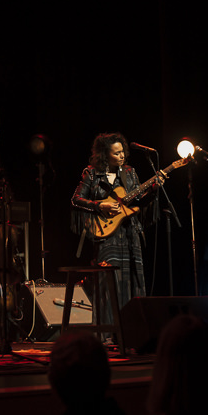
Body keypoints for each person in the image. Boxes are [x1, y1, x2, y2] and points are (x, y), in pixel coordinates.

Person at [70, 132, 163, 321]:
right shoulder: (91, 173)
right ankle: (106, 332)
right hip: (106, 234)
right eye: (116, 153)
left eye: (122, 152)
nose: (122, 156)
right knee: (107, 282)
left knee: (132, 281)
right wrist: (99, 205)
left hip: (129, 232)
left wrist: (154, 189)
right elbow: (76, 199)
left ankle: (132, 330)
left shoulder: (129, 173)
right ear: (105, 154)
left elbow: (138, 202)